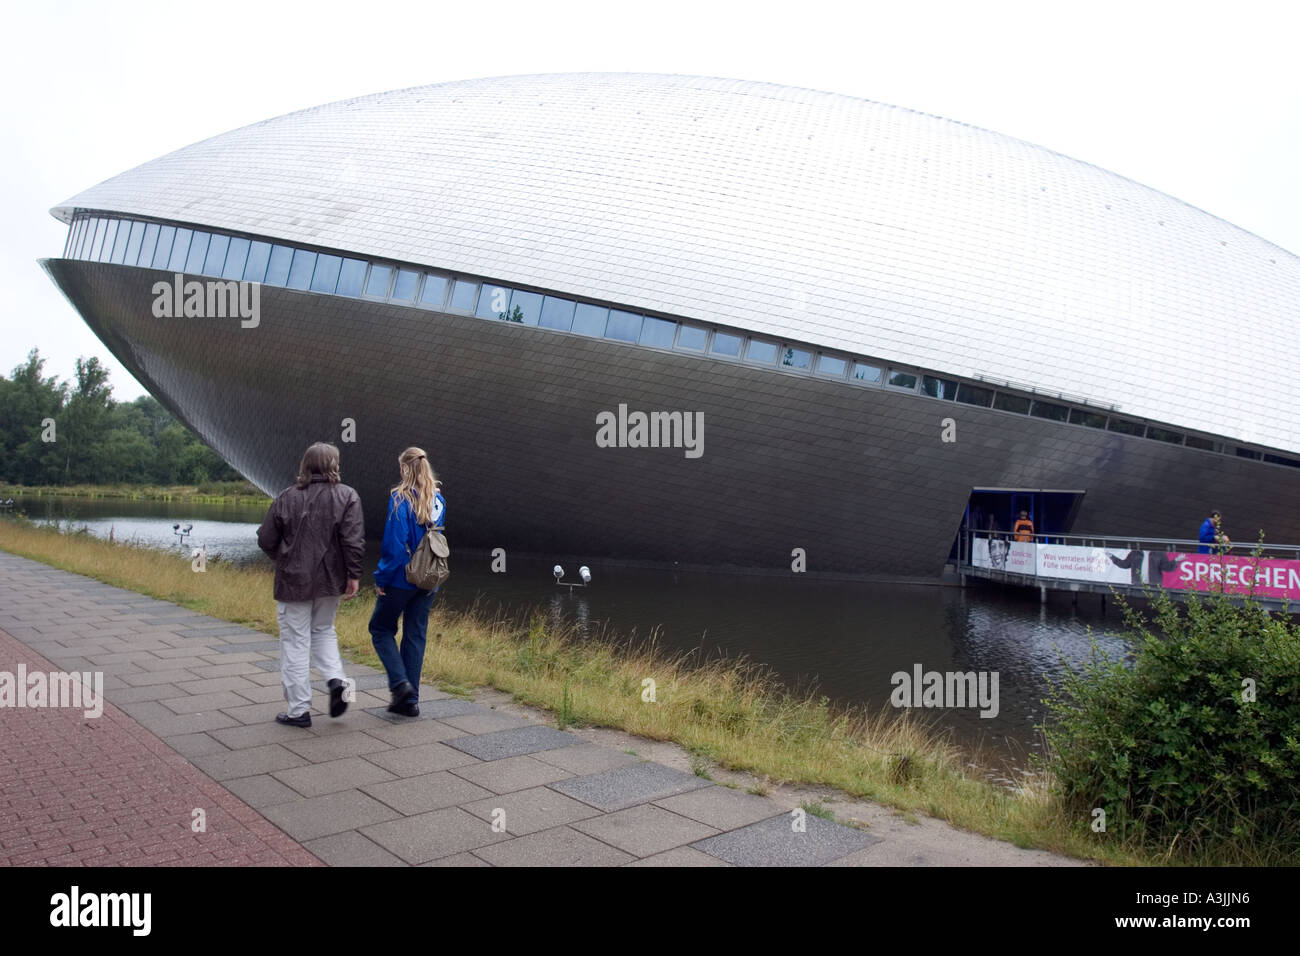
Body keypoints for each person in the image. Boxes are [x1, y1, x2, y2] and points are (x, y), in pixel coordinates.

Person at [257, 442, 363, 728]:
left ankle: (298, 710)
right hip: (331, 581)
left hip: (294, 581)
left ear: (306, 465)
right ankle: (336, 680)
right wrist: (353, 575)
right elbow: (353, 541)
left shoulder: (287, 496)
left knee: (295, 641)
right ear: (334, 465)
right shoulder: (348, 496)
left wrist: (285, 558)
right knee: (324, 631)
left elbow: (266, 539)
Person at [370, 446, 446, 717]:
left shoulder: (400, 499)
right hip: (429, 579)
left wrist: (381, 578)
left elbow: (393, 545)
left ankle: (399, 683)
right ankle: (409, 701)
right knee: (415, 635)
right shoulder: (438, 500)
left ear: (404, 468)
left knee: (380, 628)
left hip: (402, 578)